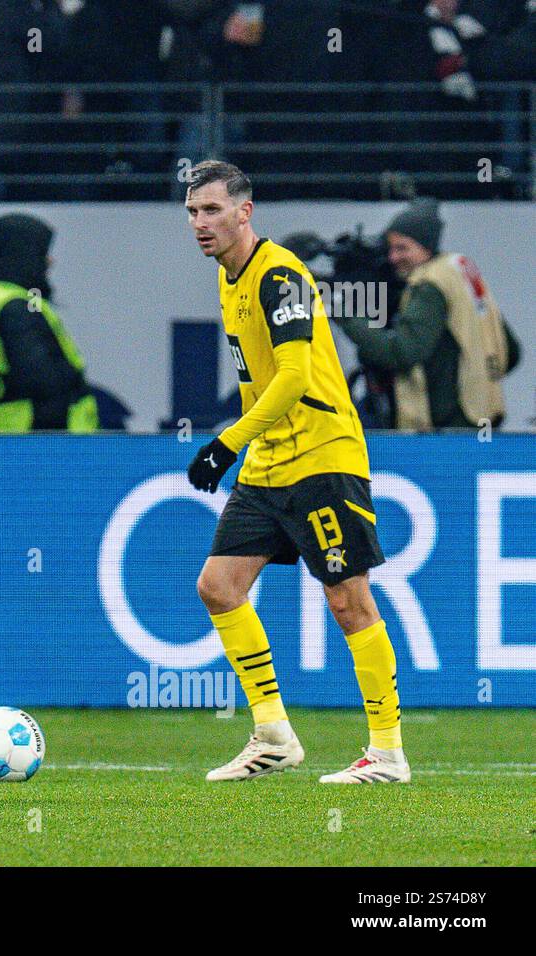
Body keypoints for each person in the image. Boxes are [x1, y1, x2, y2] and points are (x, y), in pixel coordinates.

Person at [183, 160, 408, 785]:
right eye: (193, 213)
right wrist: (247, 449)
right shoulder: (230, 280)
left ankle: (387, 754)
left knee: (348, 598)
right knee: (218, 586)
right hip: (270, 462)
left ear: (244, 212)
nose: (201, 224)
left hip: (320, 456)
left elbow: (293, 379)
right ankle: (273, 735)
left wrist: (227, 442)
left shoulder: (279, 275)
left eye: (212, 211)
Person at [333, 198, 520, 431]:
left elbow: (400, 353)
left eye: (402, 248)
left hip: (445, 433)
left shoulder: (429, 284)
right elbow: (511, 353)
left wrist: (342, 311)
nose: (392, 258)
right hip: (482, 421)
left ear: (427, 247)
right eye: (390, 249)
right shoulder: (461, 270)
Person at [0, 213, 99, 432]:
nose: (49, 261)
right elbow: (44, 382)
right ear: (22, 252)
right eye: (42, 252)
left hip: (0, 437)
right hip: (33, 445)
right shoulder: (14, 305)